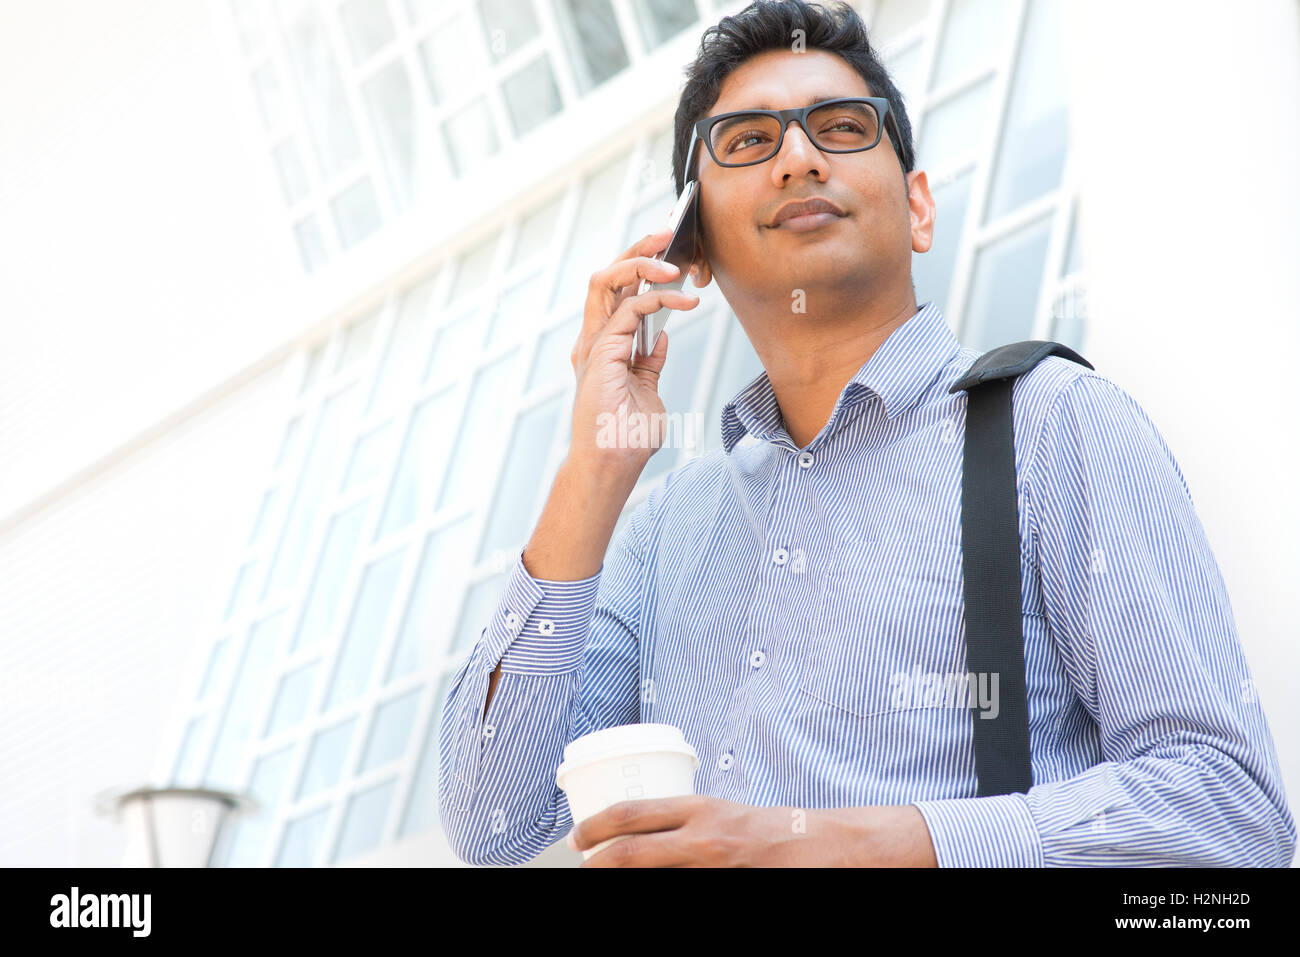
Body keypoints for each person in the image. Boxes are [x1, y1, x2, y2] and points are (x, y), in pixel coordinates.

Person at [437, 0, 1295, 867]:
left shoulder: (1056, 425)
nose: (800, 159)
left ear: (919, 208)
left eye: (842, 128)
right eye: (747, 141)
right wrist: (595, 466)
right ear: (687, 249)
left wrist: (822, 845)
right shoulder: (663, 532)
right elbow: (495, 824)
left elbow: (1232, 814)